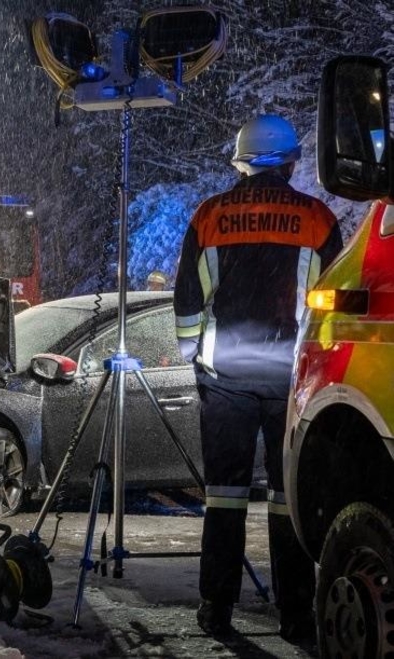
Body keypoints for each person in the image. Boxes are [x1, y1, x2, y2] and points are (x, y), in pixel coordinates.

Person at [173, 114, 343, 643]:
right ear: (291, 162)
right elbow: (331, 306)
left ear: (241, 163)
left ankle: (215, 608)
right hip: (290, 379)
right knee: (288, 499)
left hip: (225, 375)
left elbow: (187, 299)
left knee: (224, 496)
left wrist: (191, 354)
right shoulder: (317, 219)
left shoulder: (210, 216)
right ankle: (296, 614)